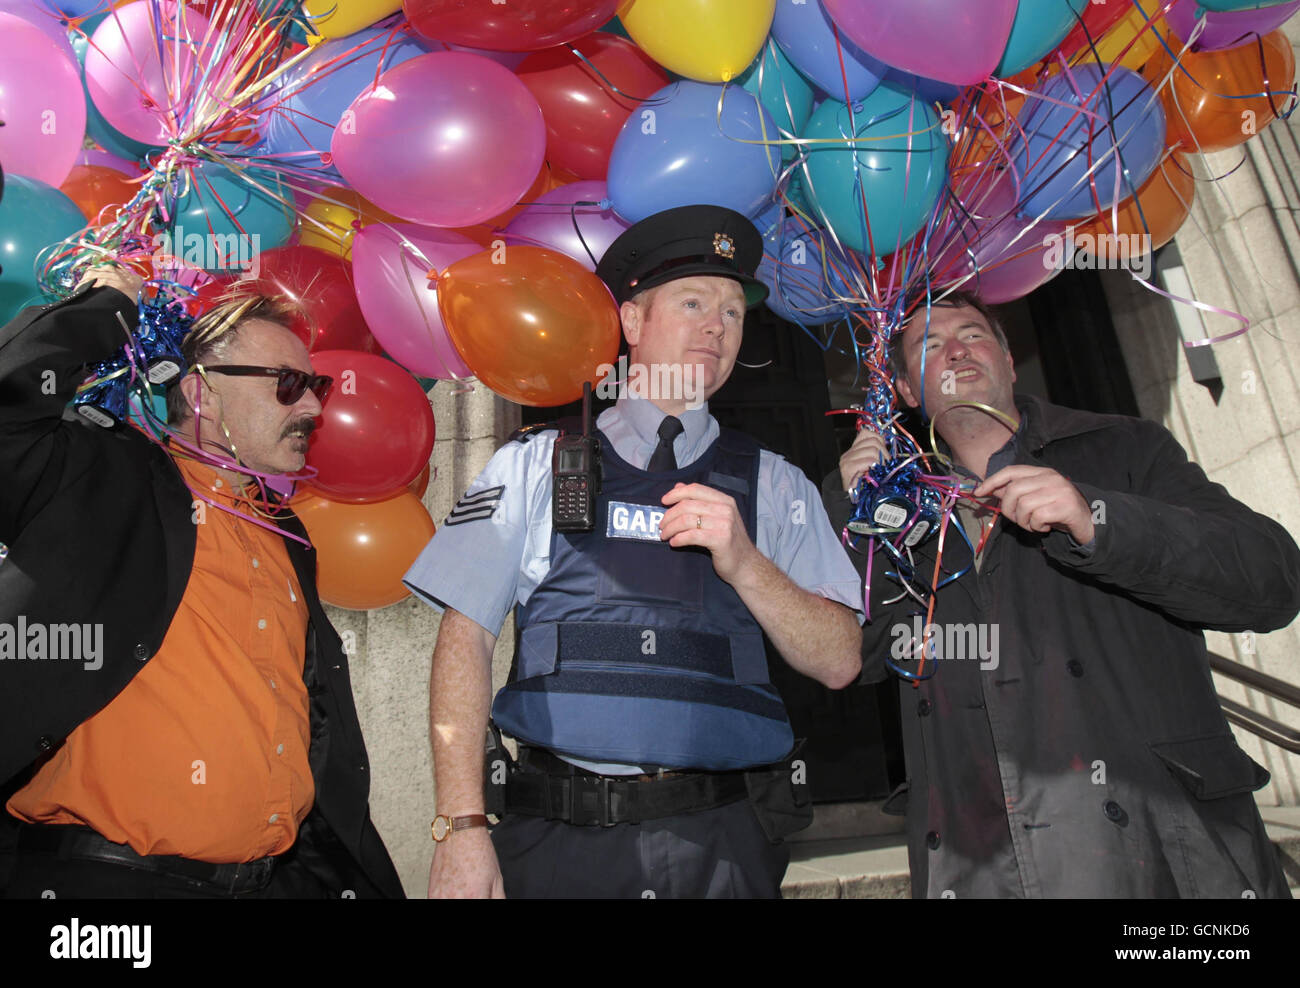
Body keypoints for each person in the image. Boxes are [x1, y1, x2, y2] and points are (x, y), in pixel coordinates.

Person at [405, 205, 864, 899]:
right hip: (562, 843)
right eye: (693, 302)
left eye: (735, 311)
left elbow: (839, 660)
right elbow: (463, 641)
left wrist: (746, 562)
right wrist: (462, 826)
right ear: (632, 323)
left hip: (725, 846)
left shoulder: (776, 484)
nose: (717, 326)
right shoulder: (535, 465)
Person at [824, 292, 1300, 898]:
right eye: (929, 344)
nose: (957, 351)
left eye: (973, 333)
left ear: (1009, 360)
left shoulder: (1125, 449)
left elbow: (1272, 581)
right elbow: (856, 654)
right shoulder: (887, 502)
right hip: (983, 865)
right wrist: (850, 510)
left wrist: (1098, 519)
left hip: (1167, 858)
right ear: (907, 393)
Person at [0, 265, 402, 899]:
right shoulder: (107, 480)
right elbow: (8, 400)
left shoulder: (285, 533)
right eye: (290, 385)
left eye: (317, 385)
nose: (314, 406)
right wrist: (107, 306)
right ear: (202, 395)